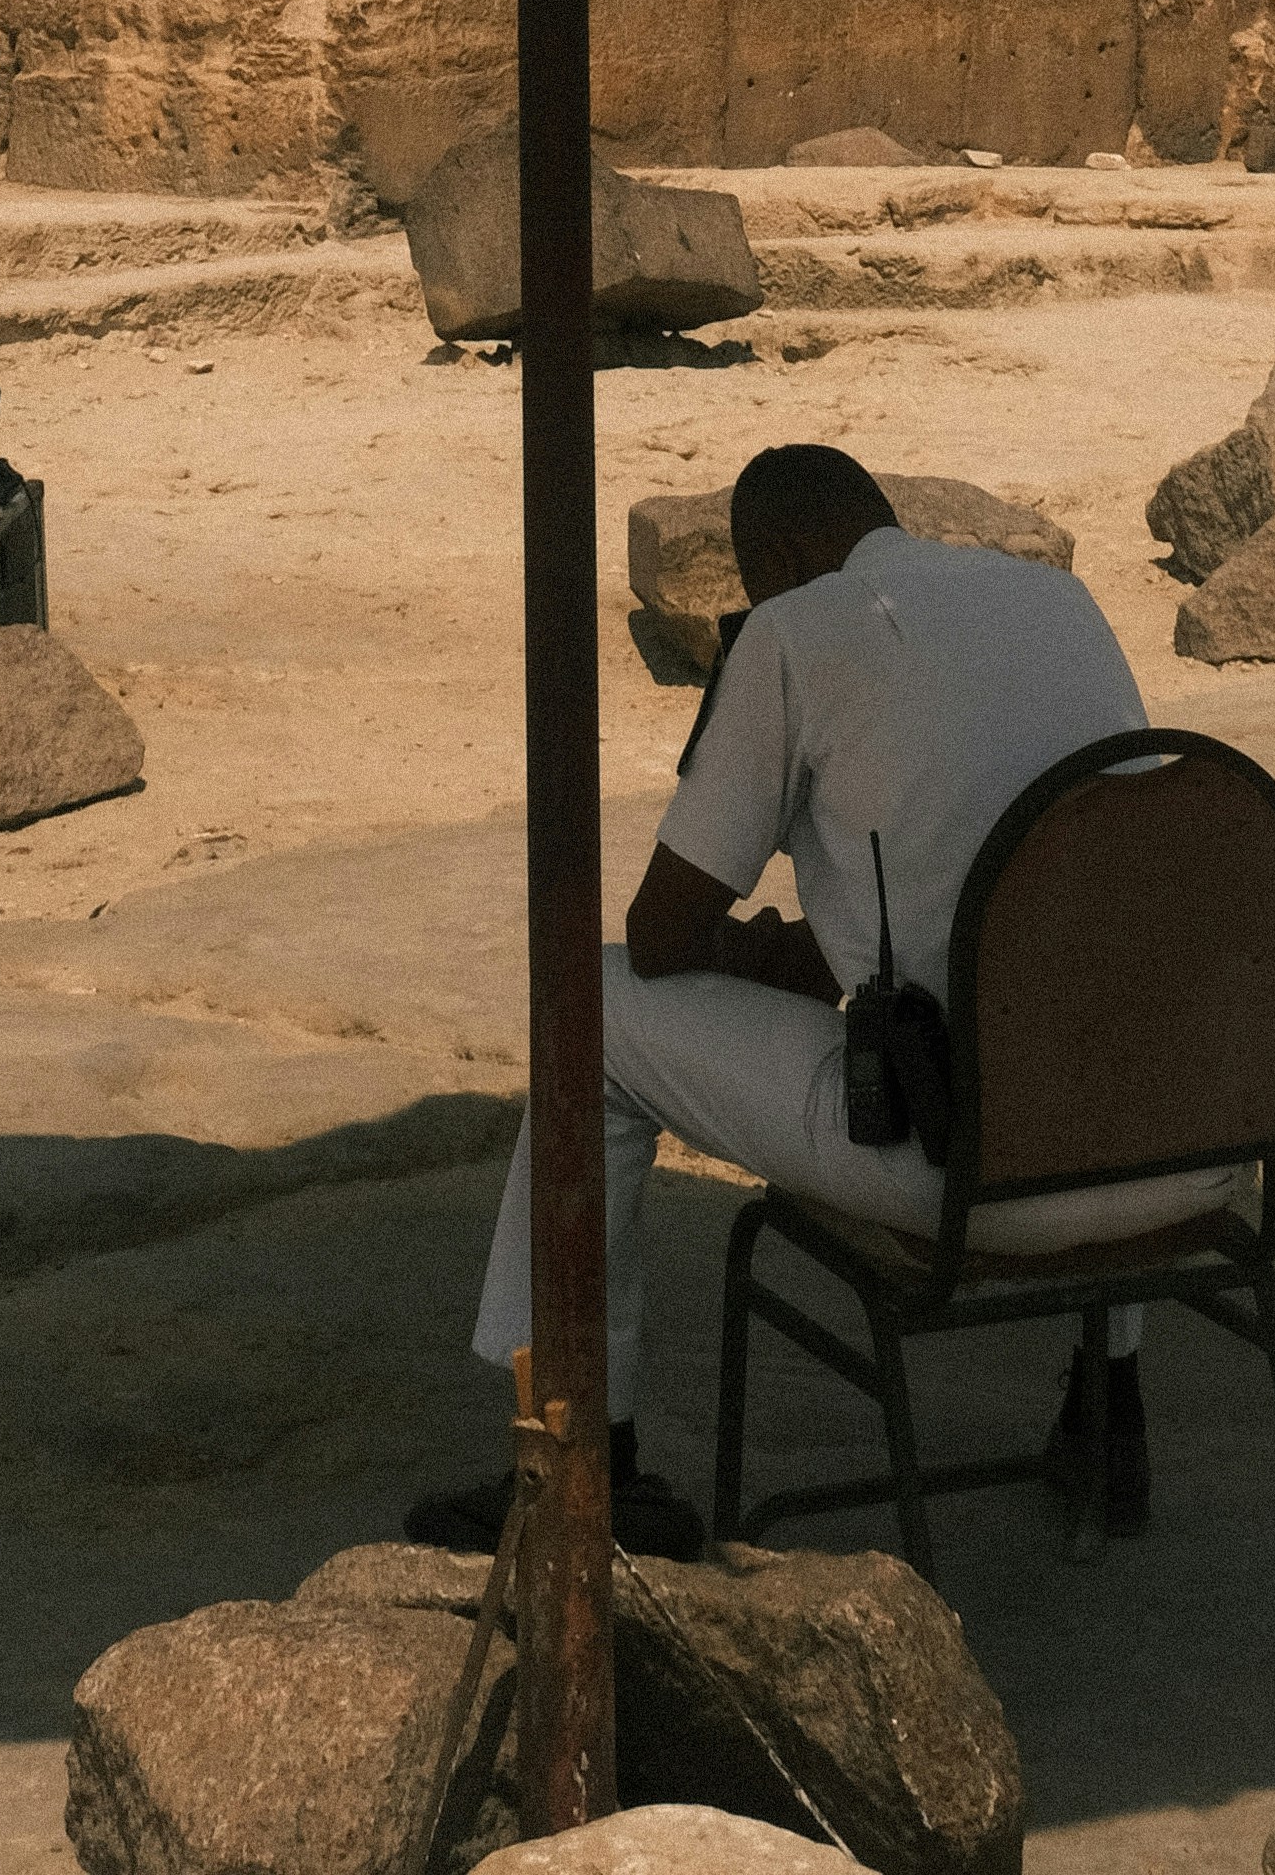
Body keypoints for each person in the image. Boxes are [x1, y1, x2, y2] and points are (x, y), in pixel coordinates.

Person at [412, 442, 1225, 1558]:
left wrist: (753, 952)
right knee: (1083, 990)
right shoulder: (1058, 600)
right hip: (1182, 1155)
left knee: (587, 1013)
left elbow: (660, 934)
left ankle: (581, 1461)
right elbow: (1026, 891)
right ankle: (1106, 1396)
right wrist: (823, 947)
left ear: (777, 557)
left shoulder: (797, 633)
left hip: (977, 1174)